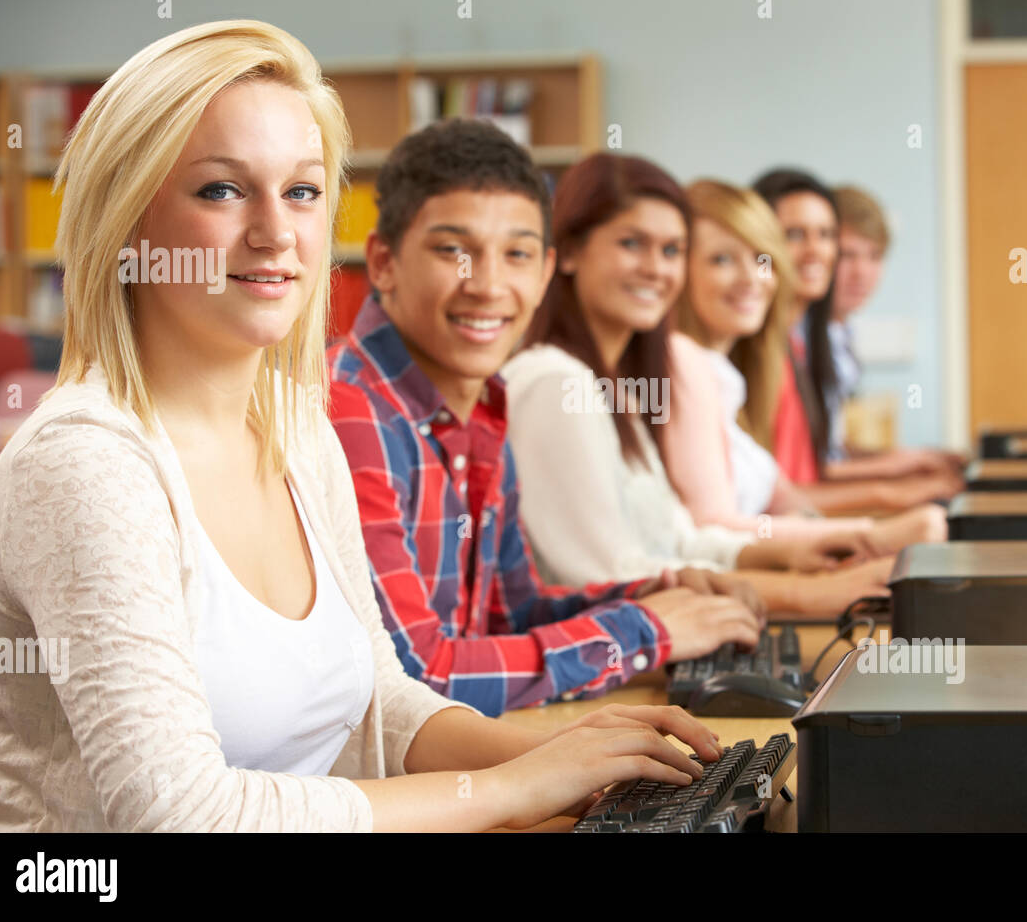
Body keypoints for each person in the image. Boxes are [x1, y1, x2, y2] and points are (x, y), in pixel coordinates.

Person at [0, 20, 725, 833]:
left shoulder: (295, 427)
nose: (276, 233)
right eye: (221, 190)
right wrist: (515, 792)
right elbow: (178, 815)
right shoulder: (87, 463)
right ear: (125, 223)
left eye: (301, 191)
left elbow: (379, 699)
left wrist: (557, 756)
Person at [327, 119, 764, 717]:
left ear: (542, 270)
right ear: (382, 262)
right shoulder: (352, 410)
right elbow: (417, 674)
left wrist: (660, 592)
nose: (487, 284)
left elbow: (508, 614)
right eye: (452, 250)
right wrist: (645, 632)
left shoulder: (484, 404)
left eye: (516, 254)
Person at [503, 153, 894, 620]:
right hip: (609, 657)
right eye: (632, 244)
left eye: (671, 251)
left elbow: (680, 538)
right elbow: (611, 576)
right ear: (567, 252)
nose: (656, 268)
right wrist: (806, 595)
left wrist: (785, 554)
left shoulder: (617, 390)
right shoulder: (556, 383)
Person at [663, 178, 946, 553]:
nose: (750, 277)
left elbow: (786, 497)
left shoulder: (738, 370)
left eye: (760, 259)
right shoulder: (685, 364)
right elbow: (717, 526)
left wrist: (859, 531)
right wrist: (872, 528)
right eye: (721, 259)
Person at [753, 168, 961, 512]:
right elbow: (785, 489)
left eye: (825, 236)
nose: (815, 251)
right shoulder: (765, 351)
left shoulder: (803, 344)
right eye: (794, 235)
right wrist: (890, 489)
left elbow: (810, 463)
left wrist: (902, 467)